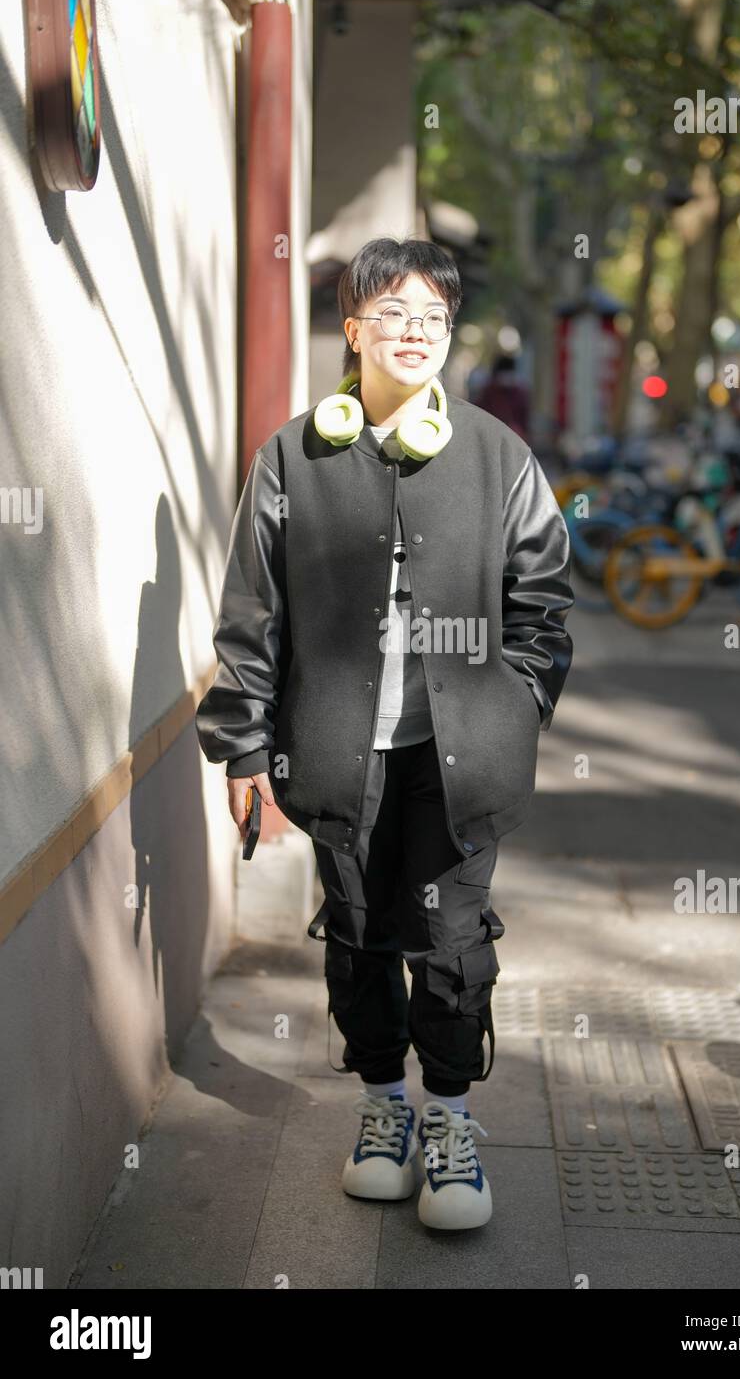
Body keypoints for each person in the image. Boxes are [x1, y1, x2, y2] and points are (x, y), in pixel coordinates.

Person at [195, 237, 573, 1231]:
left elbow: (542, 598)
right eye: (391, 312)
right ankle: (383, 1106)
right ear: (353, 328)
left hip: (460, 764)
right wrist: (243, 745)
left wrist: (514, 704)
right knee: (359, 935)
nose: (413, 331)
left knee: (449, 946)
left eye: (432, 317)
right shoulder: (292, 457)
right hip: (333, 752)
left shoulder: (498, 457)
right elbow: (251, 613)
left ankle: (448, 1120)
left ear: (448, 335)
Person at [477, 353, 531, 442]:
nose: (506, 379)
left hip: (515, 439)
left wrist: (520, 430)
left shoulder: (519, 393)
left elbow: (524, 417)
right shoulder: (488, 392)